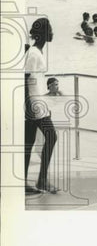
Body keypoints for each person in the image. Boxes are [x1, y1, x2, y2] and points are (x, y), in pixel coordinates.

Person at [24, 18, 58, 194]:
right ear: (43, 33)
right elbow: (24, 78)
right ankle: (41, 180)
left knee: (28, 142)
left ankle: (30, 182)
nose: (51, 32)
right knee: (51, 136)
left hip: (37, 102)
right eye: (48, 29)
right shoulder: (34, 53)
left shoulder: (37, 51)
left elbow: (36, 80)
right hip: (33, 103)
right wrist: (29, 105)